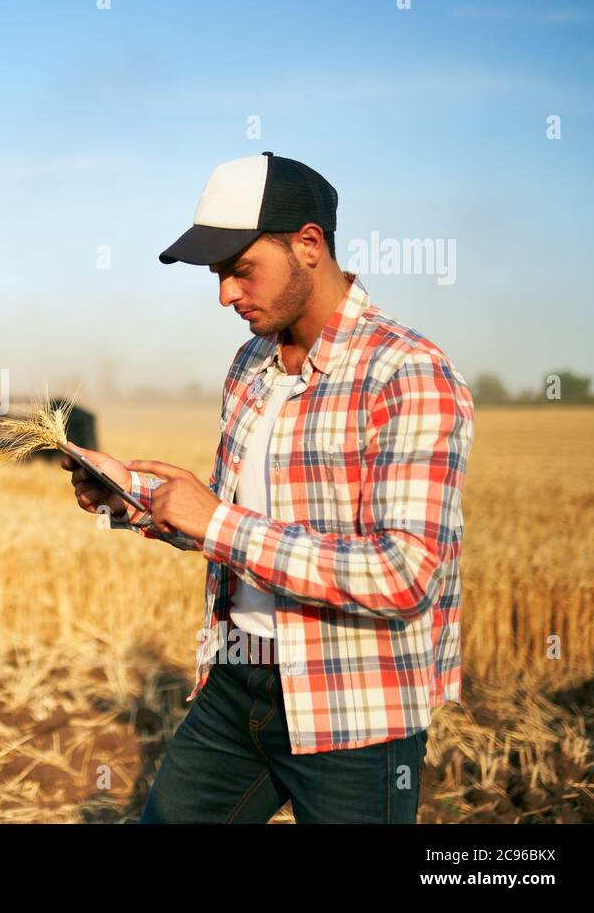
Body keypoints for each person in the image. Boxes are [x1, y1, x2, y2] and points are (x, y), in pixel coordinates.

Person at [64, 152, 474, 823]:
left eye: (240, 268)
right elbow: (235, 536)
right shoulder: (251, 364)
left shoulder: (408, 372)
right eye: (218, 274)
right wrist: (130, 500)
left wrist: (217, 521)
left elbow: (405, 575)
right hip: (236, 686)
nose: (225, 293)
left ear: (309, 245)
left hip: (356, 712)